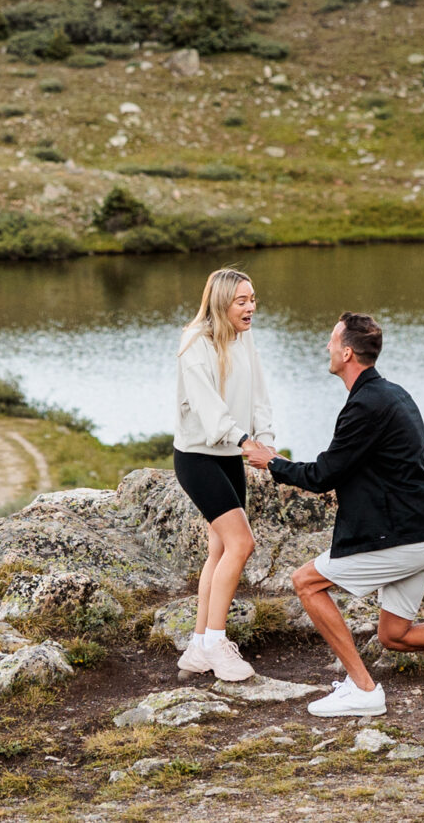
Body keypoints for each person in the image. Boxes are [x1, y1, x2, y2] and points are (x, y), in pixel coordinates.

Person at [249, 311, 424, 717]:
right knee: (394, 635)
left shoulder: (366, 405)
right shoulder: (392, 393)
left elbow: (324, 475)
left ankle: (363, 689)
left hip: (407, 536)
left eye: (331, 341)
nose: (325, 347)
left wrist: (272, 462)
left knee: (306, 583)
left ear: (347, 352)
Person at [172, 268, 274, 682]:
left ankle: (198, 647)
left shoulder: (244, 338)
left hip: (230, 455)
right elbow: (208, 408)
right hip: (198, 458)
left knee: (219, 552)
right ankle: (216, 641)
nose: (250, 307)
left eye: (253, 299)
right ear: (221, 303)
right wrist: (244, 439)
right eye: (242, 301)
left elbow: (260, 394)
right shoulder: (194, 343)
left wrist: (263, 438)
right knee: (241, 543)